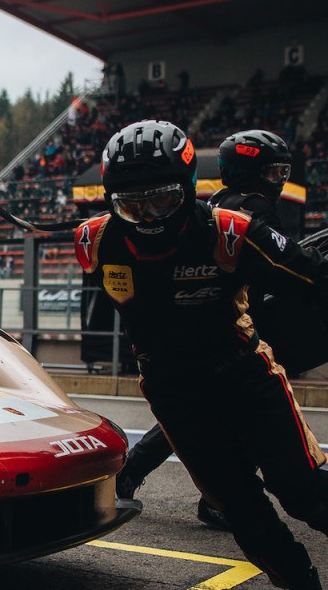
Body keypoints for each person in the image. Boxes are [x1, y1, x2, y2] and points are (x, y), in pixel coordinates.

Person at [76, 120, 328, 590]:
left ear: (187, 190)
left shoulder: (231, 231)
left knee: (299, 489)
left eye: (160, 202)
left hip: (246, 376)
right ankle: (302, 588)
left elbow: (323, 277)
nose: (148, 218)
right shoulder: (93, 240)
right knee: (241, 509)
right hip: (174, 391)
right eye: (133, 205)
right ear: (113, 200)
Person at [117, 129, 299, 530]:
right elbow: (278, 271)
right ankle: (215, 499)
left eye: (282, 170)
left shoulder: (214, 203)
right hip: (239, 322)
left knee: (199, 408)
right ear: (251, 171)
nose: (279, 179)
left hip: (200, 319)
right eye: (273, 171)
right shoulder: (257, 209)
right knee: (243, 410)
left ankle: (140, 474)